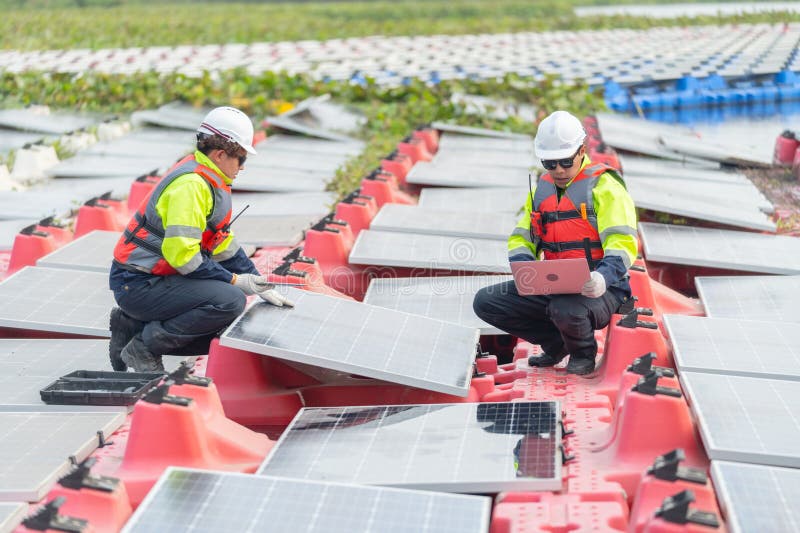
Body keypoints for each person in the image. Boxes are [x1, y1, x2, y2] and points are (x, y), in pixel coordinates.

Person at [108, 106, 293, 372]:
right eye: (241, 158)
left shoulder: (208, 177)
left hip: (155, 279)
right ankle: (143, 347)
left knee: (228, 319)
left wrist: (257, 281)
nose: (242, 166)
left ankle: (132, 326)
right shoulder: (191, 186)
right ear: (220, 154)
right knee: (229, 302)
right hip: (137, 284)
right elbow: (184, 257)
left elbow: (221, 243)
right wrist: (235, 280)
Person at [472, 110, 638, 375]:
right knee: (486, 302)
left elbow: (622, 241)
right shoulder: (542, 190)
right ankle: (556, 344)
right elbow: (522, 237)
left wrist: (603, 277)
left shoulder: (606, 187)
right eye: (550, 163)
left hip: (604, 287)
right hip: (555, 283)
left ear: (581, 151)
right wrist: (525, 267)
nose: (558, 170)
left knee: (565, 308)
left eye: (565, 162)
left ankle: (583, 354)